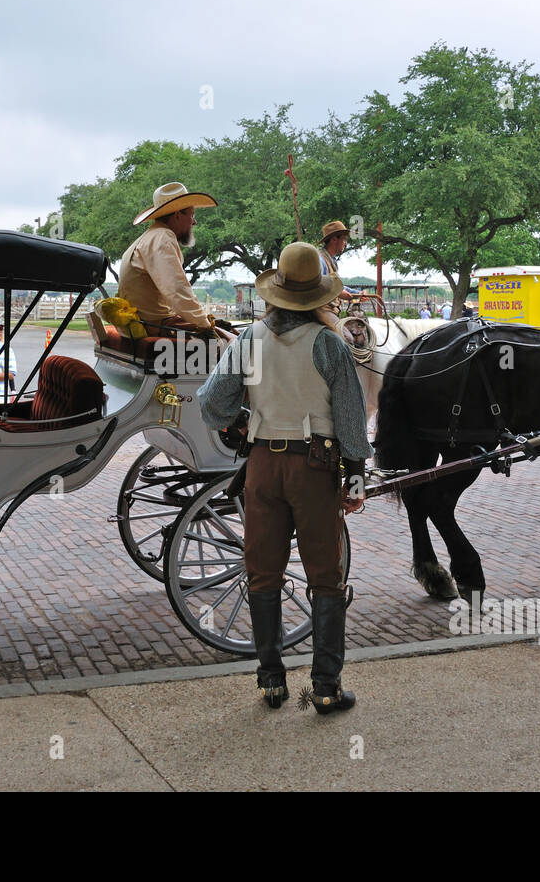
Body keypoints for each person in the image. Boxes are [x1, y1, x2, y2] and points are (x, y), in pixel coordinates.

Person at [199, 241, 371, 715]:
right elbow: (353, 426)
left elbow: (212, 405)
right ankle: (326, 687)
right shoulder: (330, 344)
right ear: (318, 297)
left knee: (263, 574)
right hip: (314, 467)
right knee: (326, 578)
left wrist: (244, 422)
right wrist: (354, 480)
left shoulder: (250, 340)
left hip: (261, 467)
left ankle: (270, 682)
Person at [118, 182, 218, 336]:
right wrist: (204, 325)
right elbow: (177, 291)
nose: (194, 222)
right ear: (178, 214)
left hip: (144, 323)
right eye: (192, 215)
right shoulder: (163, 237)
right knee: (232, 345)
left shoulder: (151, 236)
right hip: (155, 327)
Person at [315, 220, 363, 330]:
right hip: (322, 311)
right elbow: (319, 284)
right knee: (348, 338)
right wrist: (339, 293)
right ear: (334, 239)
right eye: (344, 239)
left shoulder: (330, 259)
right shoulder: (320, 259)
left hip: (330, 311)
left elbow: (336, 285)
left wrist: (357, 293)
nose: (346, 243)